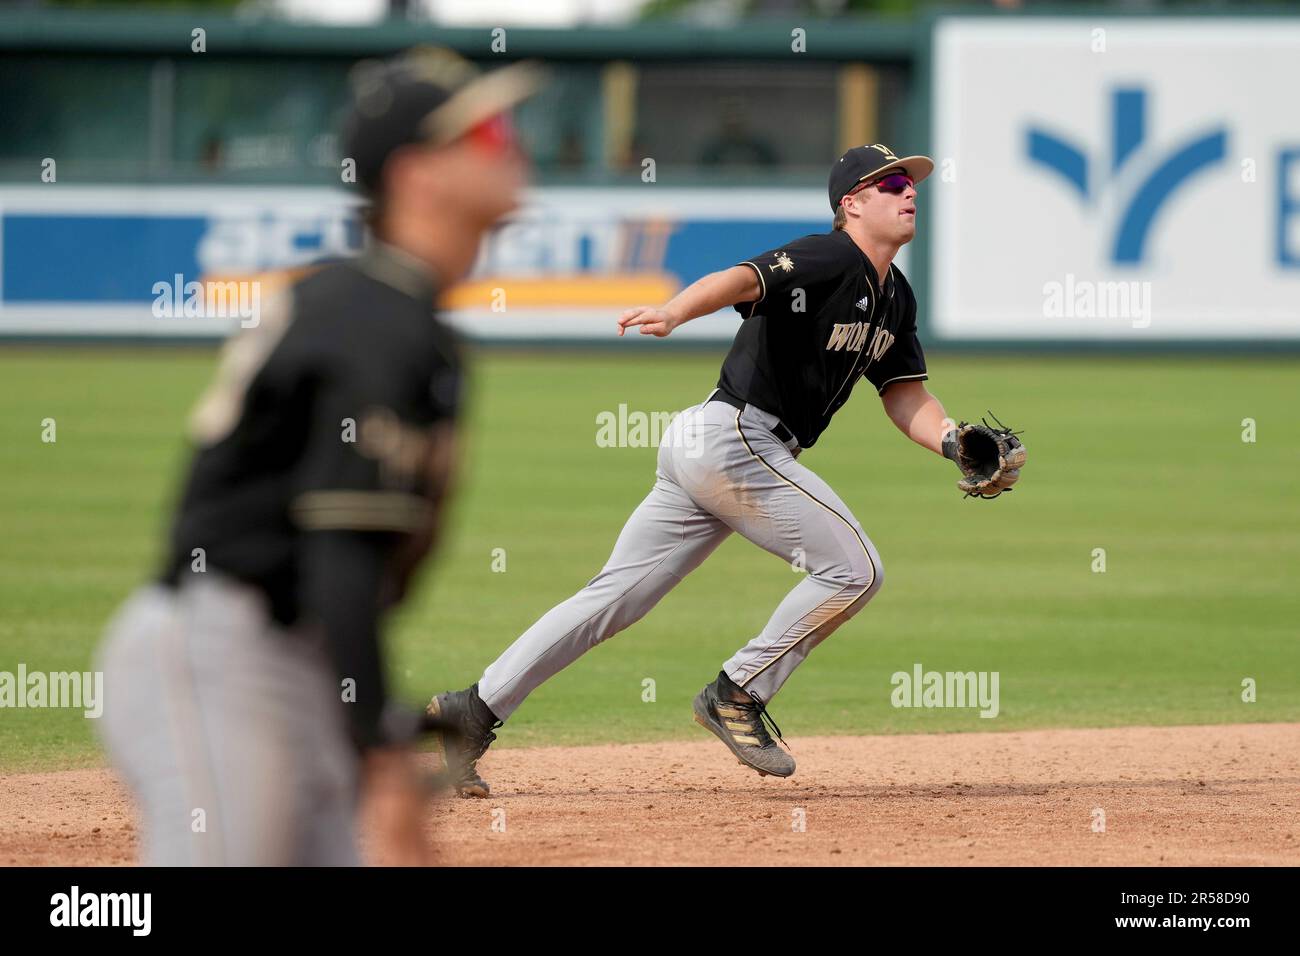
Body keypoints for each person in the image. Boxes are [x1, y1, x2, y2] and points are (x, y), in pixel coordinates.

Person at [427, 143, 1025, 797]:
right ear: (851, 204)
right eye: (889, 184)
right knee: (856, 570)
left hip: (712, 447)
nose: (908, 191)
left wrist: (950, 439)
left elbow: (902, 393)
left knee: (611, 601)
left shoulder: (894, 297)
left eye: (910, 182)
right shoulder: (830, 257)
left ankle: (469, 713)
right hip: (736, 439)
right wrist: (677, 311)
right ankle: (737, 691)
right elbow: (745, 277)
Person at [96, 47, 539, 864]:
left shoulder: (404, 320)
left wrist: (369, 717)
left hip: (294, 654)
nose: (510, 147)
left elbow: (356, 573)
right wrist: (379, 758)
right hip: (222, 651)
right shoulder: (373, 321)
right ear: (419, 176)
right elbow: (341, 557)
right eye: (481, 133)